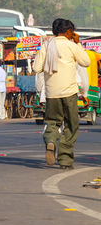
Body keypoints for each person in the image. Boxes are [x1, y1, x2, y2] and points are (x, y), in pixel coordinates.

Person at [33, 18, 91, 169]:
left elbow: (36, 67)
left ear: (53, 32)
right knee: (71, 125)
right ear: (68, 32)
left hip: (51, 94)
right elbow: (85, 62)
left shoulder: (46, 45)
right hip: (69, 92)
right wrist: (78, 43)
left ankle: (51, 143)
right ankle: (65, 161)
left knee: (52, 122)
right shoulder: (72, 46)